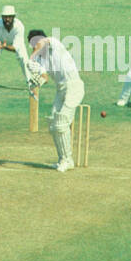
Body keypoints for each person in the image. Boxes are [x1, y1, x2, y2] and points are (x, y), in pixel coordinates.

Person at [25, 29, 86, 172]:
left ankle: (67, 160)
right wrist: (37, 83)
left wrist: (31, 57)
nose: (35, 47)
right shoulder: (40, 59)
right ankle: (62, 159)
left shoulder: (54, 44)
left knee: (61, 122)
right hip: (61, 89)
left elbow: (42, 43)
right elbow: (45, 77)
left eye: (35, 44)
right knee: (53, 123)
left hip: (74, 86)